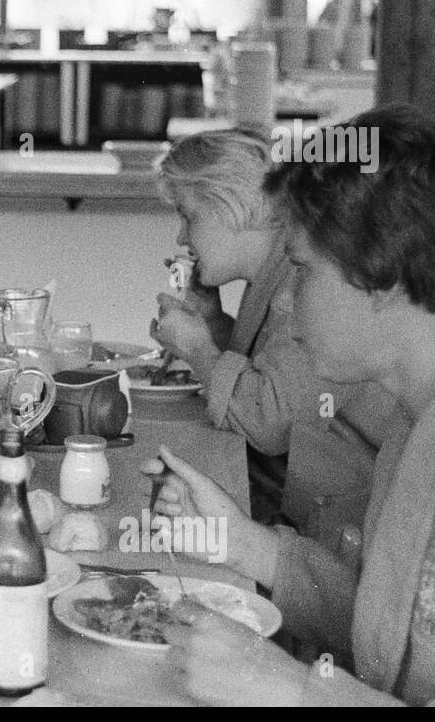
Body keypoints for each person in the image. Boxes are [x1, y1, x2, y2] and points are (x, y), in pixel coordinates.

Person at [155, 105, 435, 706]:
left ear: (381, 280)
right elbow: (393, 625)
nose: (288, 301)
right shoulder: (429, 410)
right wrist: (243, 543)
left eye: (301, 270)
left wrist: (286, 689)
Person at [150, 128, 392, 526]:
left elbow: (268, 421)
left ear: (232, 203)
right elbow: (265, 371)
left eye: (186, 215)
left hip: (344, 525)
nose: (181, 235)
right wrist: (210, 320)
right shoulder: (273, 273)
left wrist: (199, 350)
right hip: (301, 498)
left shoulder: (305, 278)